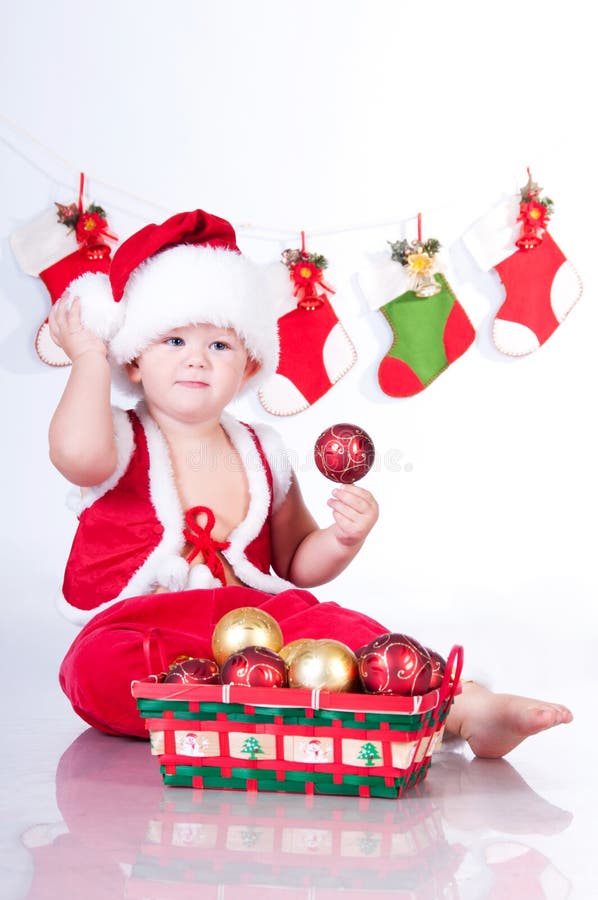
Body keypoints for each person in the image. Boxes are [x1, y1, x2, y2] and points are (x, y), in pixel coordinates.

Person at [48, 209, 572, 757]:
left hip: (259, 627)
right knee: (98, 667)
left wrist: (343, 538)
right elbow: (77, 456)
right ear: (133, 359)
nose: (197, 360)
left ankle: (465, 709)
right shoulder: (115, 437)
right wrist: (88, 356)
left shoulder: (264, 451)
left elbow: (296, 561)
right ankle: (275, 713)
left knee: (344, 632)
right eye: (173, 341)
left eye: (220, 346)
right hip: (148, 622)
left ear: (250, 367)